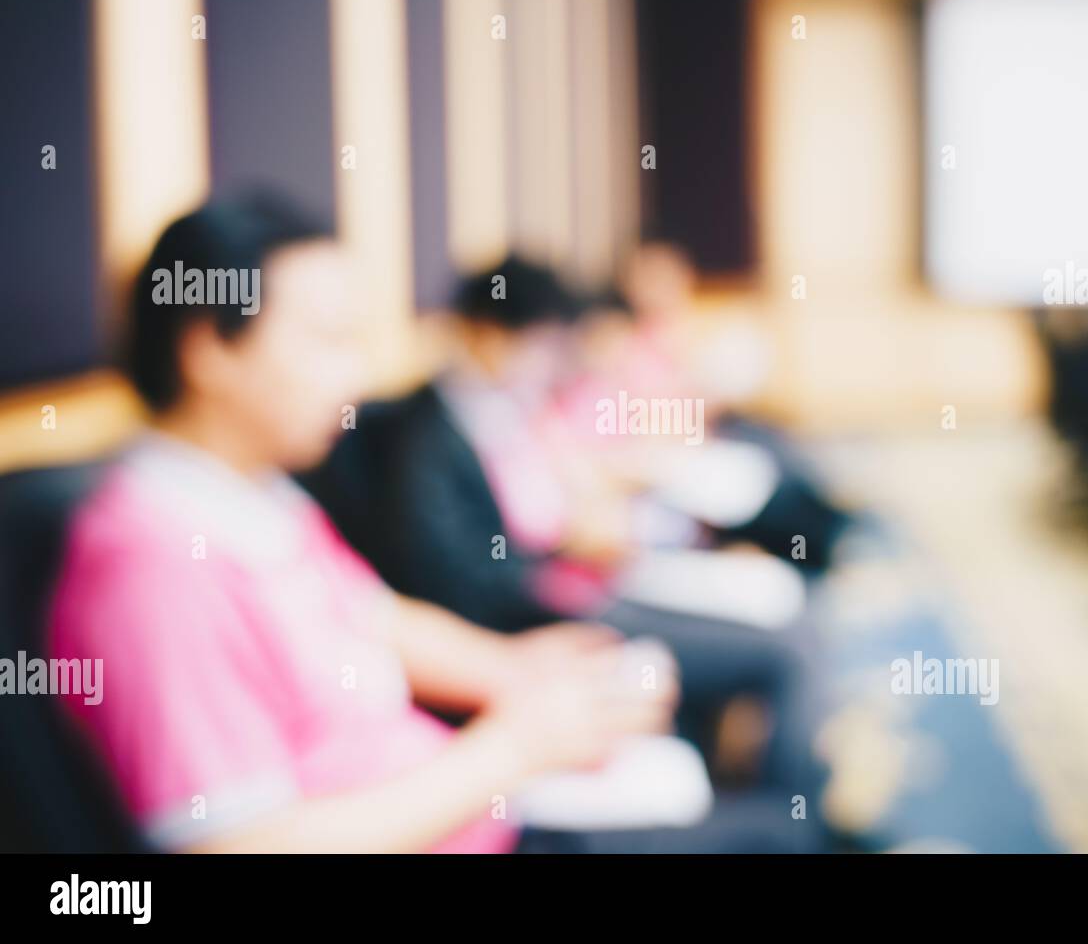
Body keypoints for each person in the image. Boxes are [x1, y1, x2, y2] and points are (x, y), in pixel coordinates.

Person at [49, 195, 821, 854]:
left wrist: (518, 671)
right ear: (208, 349)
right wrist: (512, 745)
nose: (354, 376)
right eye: (326, 340)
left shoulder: (257, 499)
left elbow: (376, 617)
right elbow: (237, 844)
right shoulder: (154, 566)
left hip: (474, 813)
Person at [301, 256, 835, 833]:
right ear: (484, 333)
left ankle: (779, 810)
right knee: (778, 652)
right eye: (534, 342)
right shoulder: (423, 437)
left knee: (780, 613)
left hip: (568, 597)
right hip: (547, 609)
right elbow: (457, 577)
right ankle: (782, 822)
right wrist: (554, 588)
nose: (545, 359)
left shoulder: (507, 409)